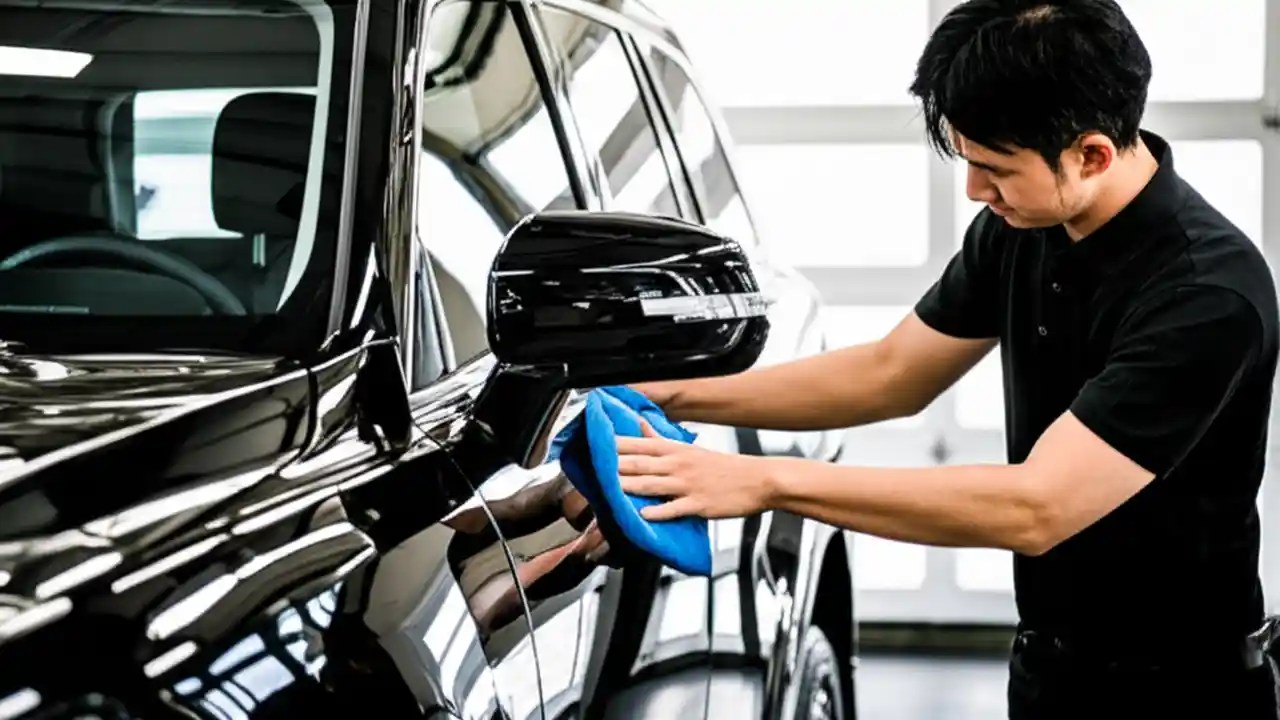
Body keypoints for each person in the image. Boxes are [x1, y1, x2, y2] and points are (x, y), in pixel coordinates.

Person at [615, 1, 1280, 718]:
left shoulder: (1207, 293)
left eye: (995, 169)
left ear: (1092, 154)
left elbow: (1036, 506)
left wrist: (764, 480)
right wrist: (672, 393)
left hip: (1183, 695)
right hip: (1048, 673)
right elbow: (891, 373)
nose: (974, 191)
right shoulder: (1023, 226)